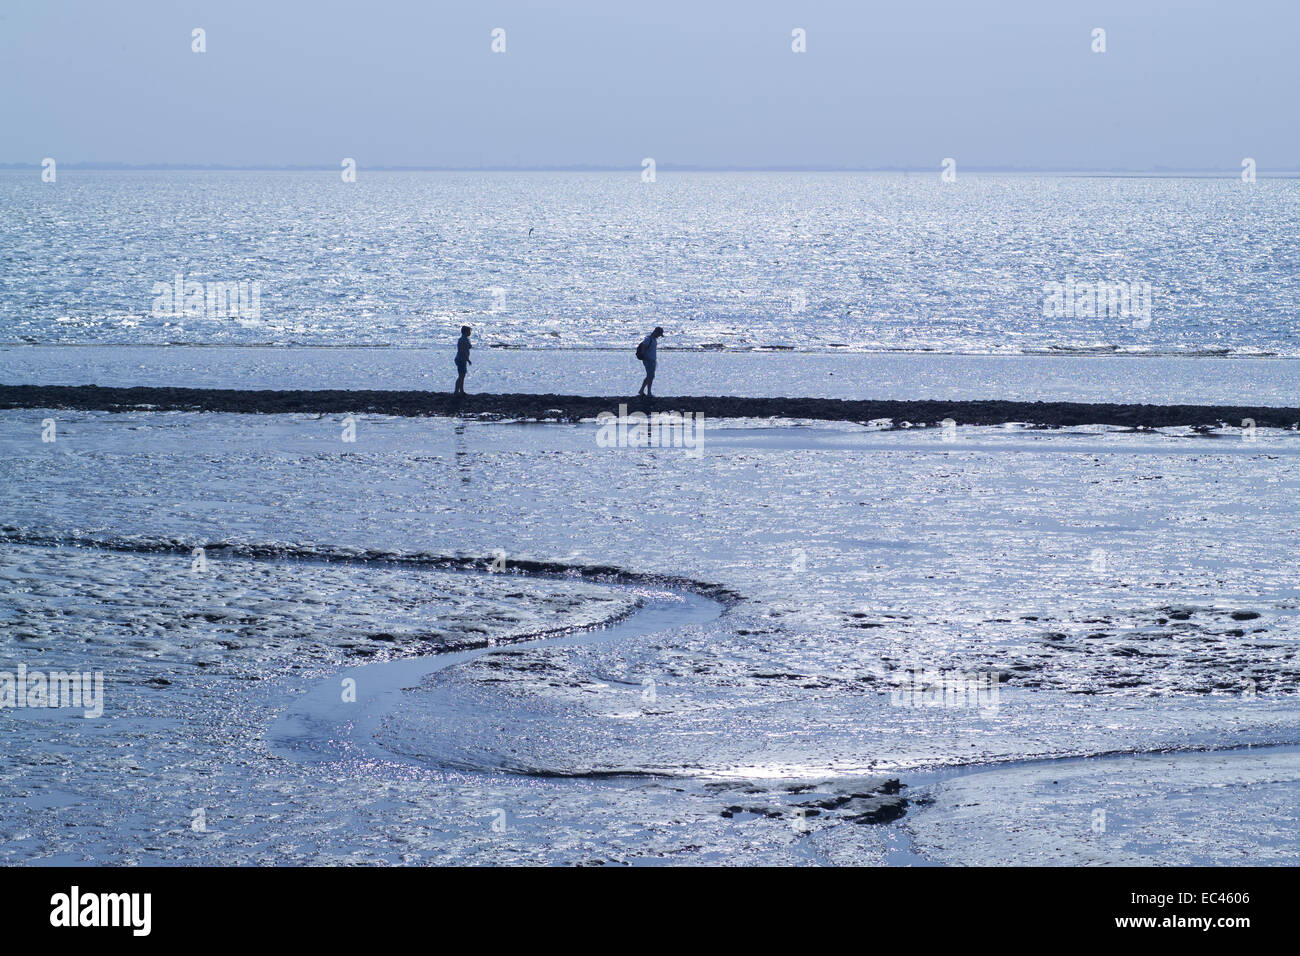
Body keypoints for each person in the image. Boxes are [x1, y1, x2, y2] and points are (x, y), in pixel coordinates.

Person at [637, 326, 664, 397]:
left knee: (650, 376)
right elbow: (643, 349)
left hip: (652, 360)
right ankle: (648, 392)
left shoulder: (654, 340)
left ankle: (642, 390)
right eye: (659, 334)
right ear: (656, 332)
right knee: (650, 376)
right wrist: (646, 358)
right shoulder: (648, 339)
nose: (659, 336)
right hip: (648, 360)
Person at [454, 326, 472, 395]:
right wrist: (468, 360)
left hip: (462, 359)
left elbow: (468, 347)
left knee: (462, 376)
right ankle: (458, 391)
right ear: (465, 332)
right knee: (461, 376)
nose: (470, 333)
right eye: (469, 331)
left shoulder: (465, 339)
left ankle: (460, 390)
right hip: (461, 359)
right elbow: (463, 351)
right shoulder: (463, 340)